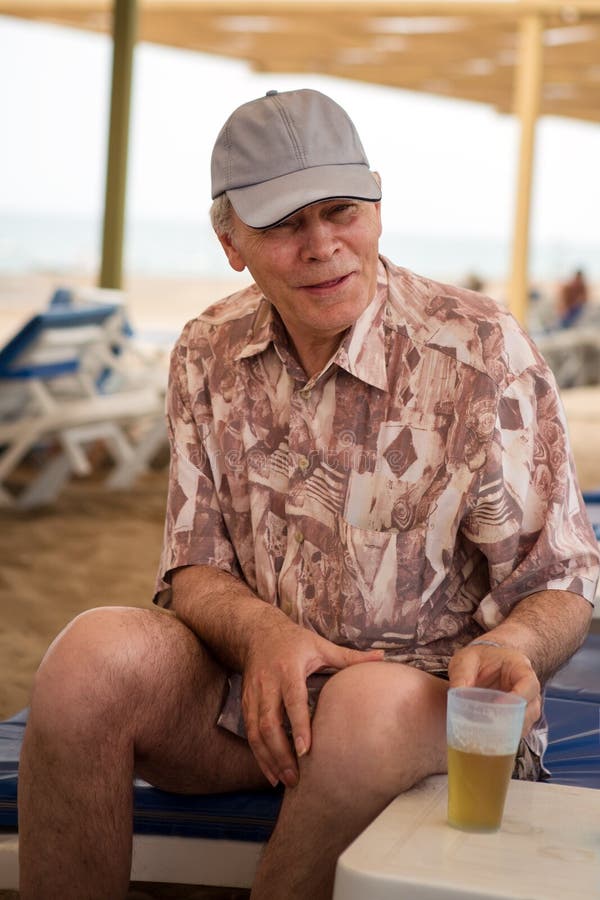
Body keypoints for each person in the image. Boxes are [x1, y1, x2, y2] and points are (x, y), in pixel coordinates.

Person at [18, 89, 599, 900]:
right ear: (230, 243)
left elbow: (562, 579)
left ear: (379, 205)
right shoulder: (204, 353)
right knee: (86, 660)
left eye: (341, 211)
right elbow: (193, 569)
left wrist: (513, 650)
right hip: (252, 709)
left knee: (361, 708)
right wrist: (262, 637)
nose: (323, 245)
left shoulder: (479, 351)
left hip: (425, 713)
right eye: (285, 225)